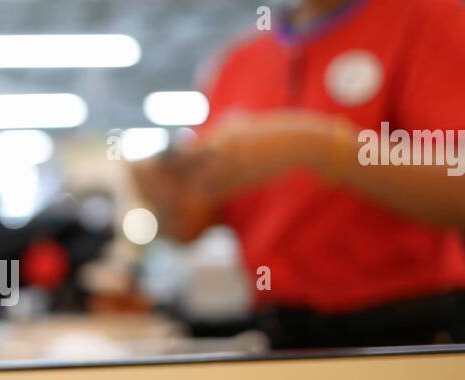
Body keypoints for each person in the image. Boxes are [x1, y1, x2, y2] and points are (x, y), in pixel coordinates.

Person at [131, 0, 465, 348]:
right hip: (283, 330)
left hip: (410, 326)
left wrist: (316, 147)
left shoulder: (425, 18)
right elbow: (192, 223)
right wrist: (166, 197)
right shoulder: (241, 61)